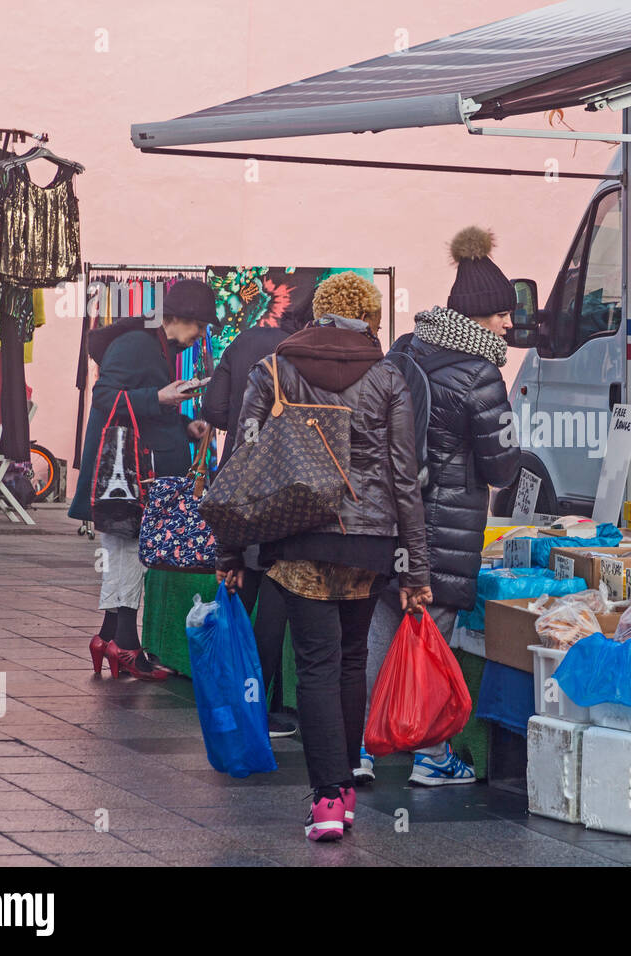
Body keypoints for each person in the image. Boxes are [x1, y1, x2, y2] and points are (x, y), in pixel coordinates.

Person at [216, 271, 431, 842]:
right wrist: (415, 568)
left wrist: (230, 550)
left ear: (316, 313)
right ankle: (348, 791)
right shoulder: (388, 376)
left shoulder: (274, 369)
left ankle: (328, 799)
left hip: (299, 535)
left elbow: (242, 461)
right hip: (370, 542)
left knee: (316, 663)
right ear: (371, 319)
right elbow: (404, 477)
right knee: (351, 660)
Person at [360, 226, 521, 786]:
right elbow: (502, 467)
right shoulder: (480, 374)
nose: (509, 324)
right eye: (502, 314)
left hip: (388, 520)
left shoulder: (404, 350)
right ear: (478, 315)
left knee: (382, 625)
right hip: (444, 530)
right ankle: (431, 754)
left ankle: (360, 747)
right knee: (433, 636)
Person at [70, 279, 215, 680]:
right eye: (200, 325)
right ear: (180, 317)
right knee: (131, 551)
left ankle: (109, 639)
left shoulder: (156, 346)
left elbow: (143, 407)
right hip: (127, 475)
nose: (201, 333)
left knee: (124, 551)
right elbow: (105, 397)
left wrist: (185, 426)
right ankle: (125, 645)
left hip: (132, 474)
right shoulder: (137, 344)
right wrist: (160, 398)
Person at [201, 305, 308, 738]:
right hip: (285, 484)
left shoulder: (243, 341)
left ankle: (227, 700)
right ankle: (260, 707)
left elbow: (213, 409)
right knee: (274, 597)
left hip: (240, 476)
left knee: (239, 588)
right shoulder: (302, 352)